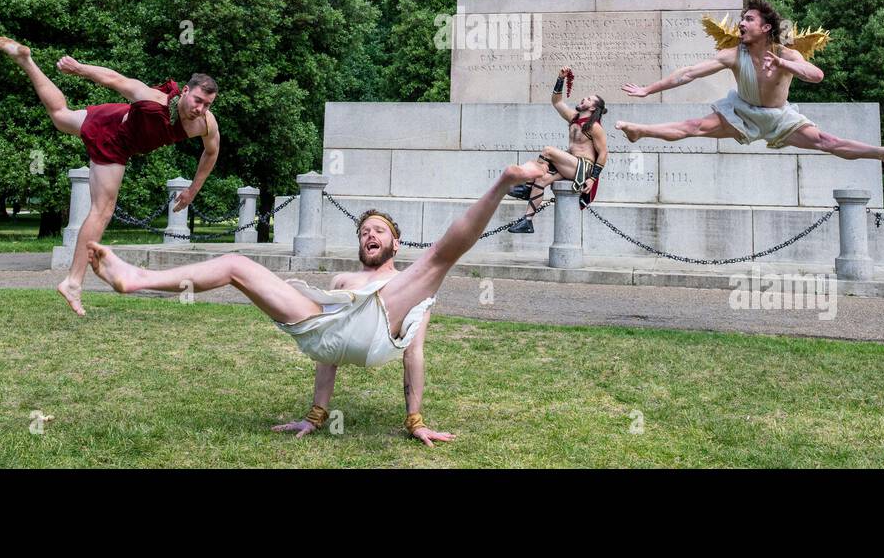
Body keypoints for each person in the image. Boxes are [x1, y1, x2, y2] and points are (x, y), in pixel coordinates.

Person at [88, 158, 549, 445]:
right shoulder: (344, 276)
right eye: (364, 231)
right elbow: (328, 351)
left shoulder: (409, 282)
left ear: (395, 242)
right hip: (323, 329)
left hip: (380, 331)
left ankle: (506, 180)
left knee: (437, 262)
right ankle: (136, 277)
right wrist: (316, 414)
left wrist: (414, 419)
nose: (370, 235)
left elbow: (416, 352)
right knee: (235, 263)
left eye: (379, 231)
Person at [0, 37, 219, 315]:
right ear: (185, 92)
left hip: (112, 116)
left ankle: (26, 60)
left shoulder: (205, 124)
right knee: (102, 210)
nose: (200, 109)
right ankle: (73, 282)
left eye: (207, 104)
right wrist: (78, 68)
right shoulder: (152, 99)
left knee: (61, 116)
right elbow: (115, 79)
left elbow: (210, 153)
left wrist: (192, 190)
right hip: (115, 141)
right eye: (197, 100)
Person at [614, 0, 884, 167]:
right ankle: (640, 131)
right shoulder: (734, 54)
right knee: (693, 127)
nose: (741, 24)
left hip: (779, 118)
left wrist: (785, 64)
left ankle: (883, 152)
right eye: (742, 19)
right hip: (742, 112)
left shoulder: (786, 52)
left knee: (828, 143)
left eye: (749, 19)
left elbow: (817, 75)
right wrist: (648, 89)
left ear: (766, 27)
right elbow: (688, 73)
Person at [509, 67, 609, 233]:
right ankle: (527, 221)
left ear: (593, 108)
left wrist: (592, 179)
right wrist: (560, 79)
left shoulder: (595, 127)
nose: (584, 98)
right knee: (541, 180)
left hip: (583, 168)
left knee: (547, 151)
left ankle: (527, 187)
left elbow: (604, 153)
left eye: (589, 99)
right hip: (570, 165)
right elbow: (557, 102)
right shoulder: (574, 118)